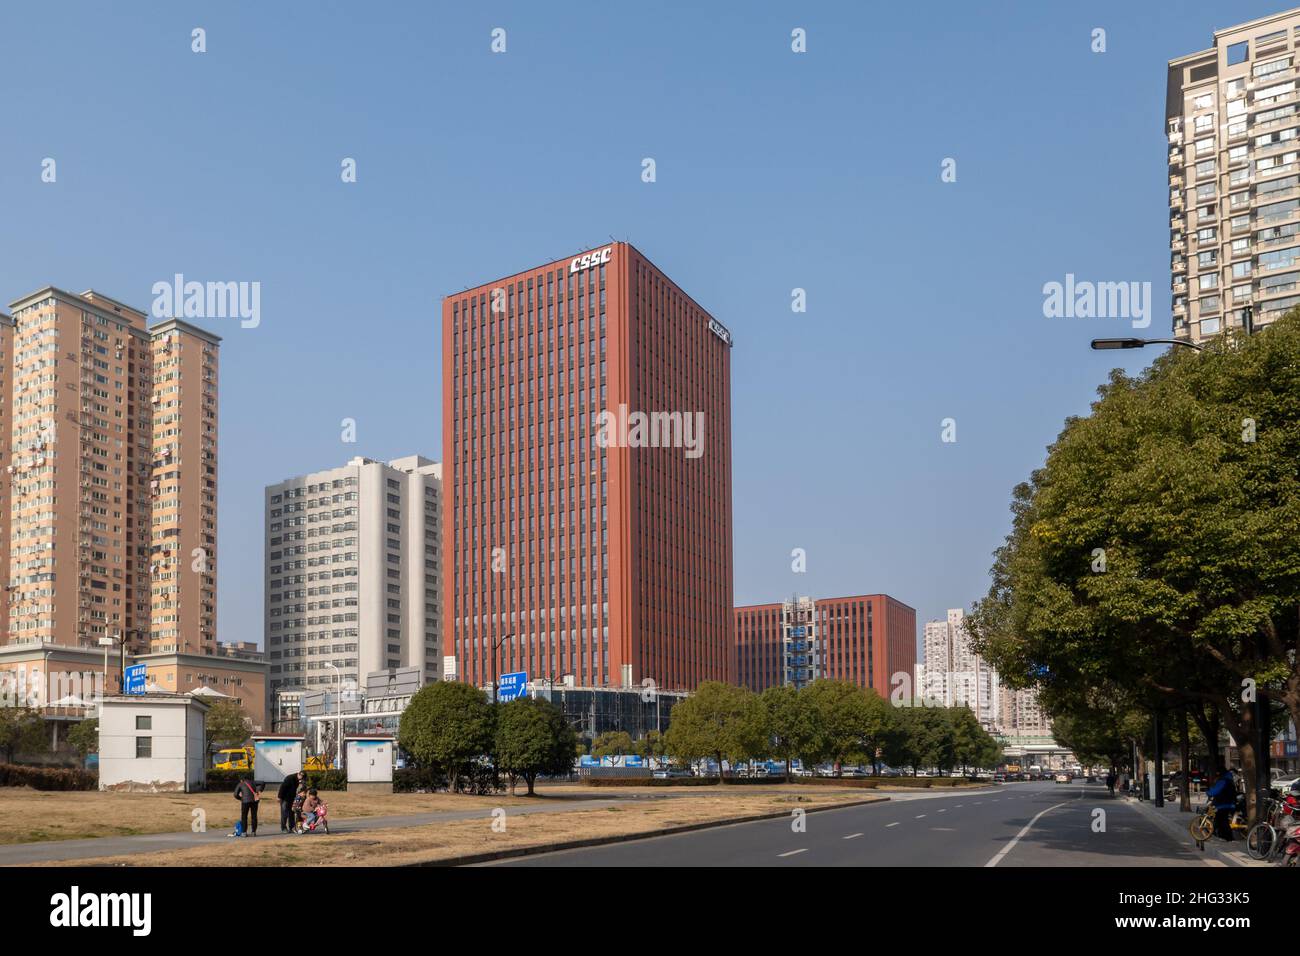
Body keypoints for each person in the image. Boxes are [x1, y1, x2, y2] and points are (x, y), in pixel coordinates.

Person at [1207, 768, 1237, 841]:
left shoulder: (1223, 781)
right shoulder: (1229, 780)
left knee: (1222, 820)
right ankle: (1222, 836)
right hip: (1228, 803)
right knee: (1220, 820)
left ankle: (1228, 838)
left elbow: (1215, 791)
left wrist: (1208, 792)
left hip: (1223, 804)